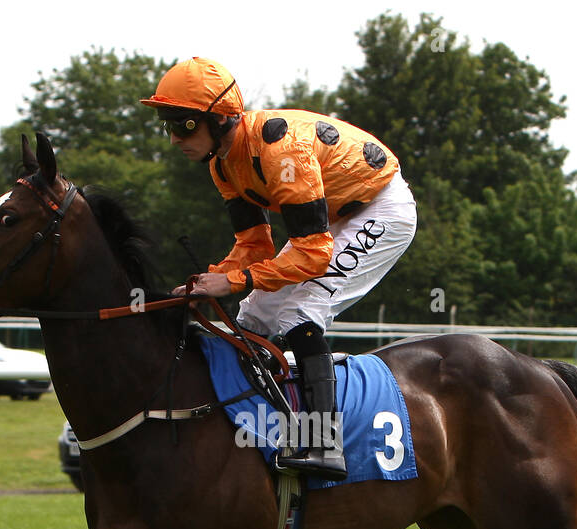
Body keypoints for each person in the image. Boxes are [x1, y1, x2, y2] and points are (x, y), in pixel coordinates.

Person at [142, 57, 417, 480]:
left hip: (381, 208)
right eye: (168, 126)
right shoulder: (223, 163)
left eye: (184, 125)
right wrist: (210, 280)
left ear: (219, 119)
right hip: (331, 221)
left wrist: (231, 281)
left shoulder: (278, 149)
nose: (175, 138)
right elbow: (254, 245)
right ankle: (258, 427)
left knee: (298, 313)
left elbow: (312, 255)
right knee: (251, 316)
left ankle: (326, 444)